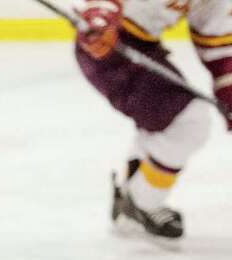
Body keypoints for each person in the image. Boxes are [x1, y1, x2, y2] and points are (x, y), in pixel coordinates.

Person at [73, 0, 232, 240]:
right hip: (110, 51)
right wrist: (98, 16)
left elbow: (219, 49)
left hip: (143, 49)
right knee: (187, 124)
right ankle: (140, 203)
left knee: (171, 121)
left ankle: (134, 187)